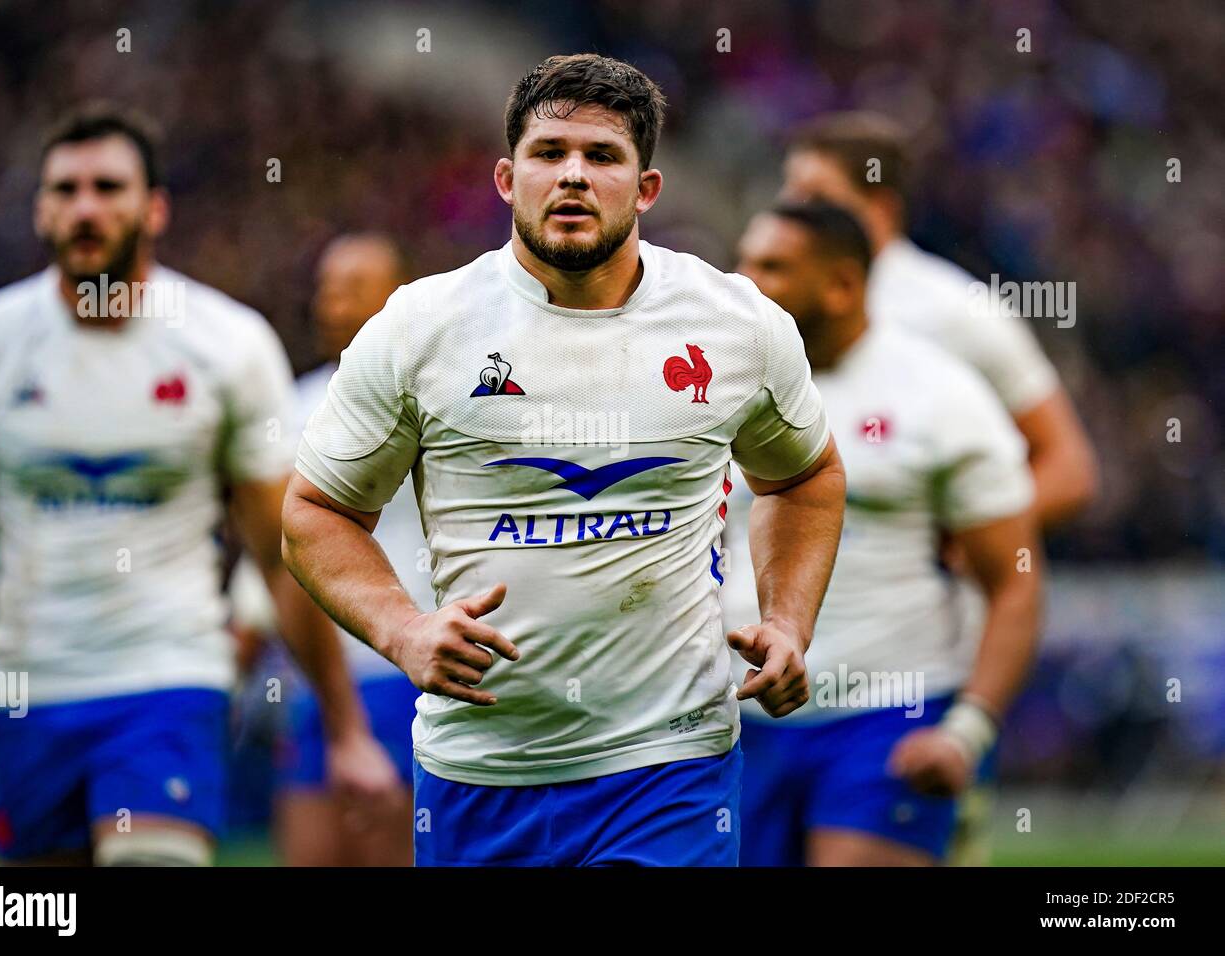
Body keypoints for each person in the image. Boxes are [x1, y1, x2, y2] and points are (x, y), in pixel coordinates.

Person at [281, 54, 846, 867]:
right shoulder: (421, 327)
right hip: (480, 771)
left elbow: (804, 476)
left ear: (646, 188)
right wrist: (403, 631)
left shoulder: (736, 323)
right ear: (508, 179)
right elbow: (315, 511)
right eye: (550, 155)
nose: (573, 176)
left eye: (602, 156)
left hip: (669, 764)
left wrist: (790, 619)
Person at [0, 105, 387, 865]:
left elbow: (282, 555)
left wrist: (343, 729)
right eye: (65, 189)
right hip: (28, 689)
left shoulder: (225, 344)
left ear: (155, 207)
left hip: (169, 679)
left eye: (108, 187)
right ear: (39, 209)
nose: (85, 207)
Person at [781, 112, 1098, 862]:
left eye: (817, 194)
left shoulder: (955, 314)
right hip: (793, 666)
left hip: (915, 663)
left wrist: (962, 531)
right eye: (790, 192)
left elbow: (1069, 465)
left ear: (880, 207)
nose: (797, 212)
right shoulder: (776, 302)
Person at [727, 201, 1042, 865]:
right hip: (732, 722)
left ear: (841, 285)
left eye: (772, 267)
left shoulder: (942, 396)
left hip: (886, 717)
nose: (744, 280)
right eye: (747, 260)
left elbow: (1015, 583)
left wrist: (966, 731)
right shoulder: (716, 389)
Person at [230, 233, 422, 866]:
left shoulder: (439, 400)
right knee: (311, 848)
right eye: (327, 290)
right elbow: (276, 541)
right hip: (315, 673)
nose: (334, 305)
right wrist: (248, 630)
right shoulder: (295, 404)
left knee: (389, 848)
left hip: (404, 669)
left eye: (352, 289)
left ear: (397, 297)